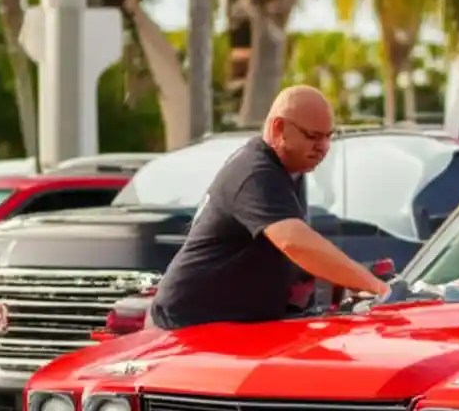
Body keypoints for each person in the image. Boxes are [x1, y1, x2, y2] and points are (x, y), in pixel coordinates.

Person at [147, 85, 390, 330]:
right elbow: (294, 242)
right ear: (278, 128)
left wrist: (344, 280)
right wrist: (378, 288)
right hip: (186, 326)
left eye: (329, 136)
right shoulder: (255, 172)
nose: (323, 147)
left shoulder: (291, 169)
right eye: (313, 136)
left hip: (233, 324)